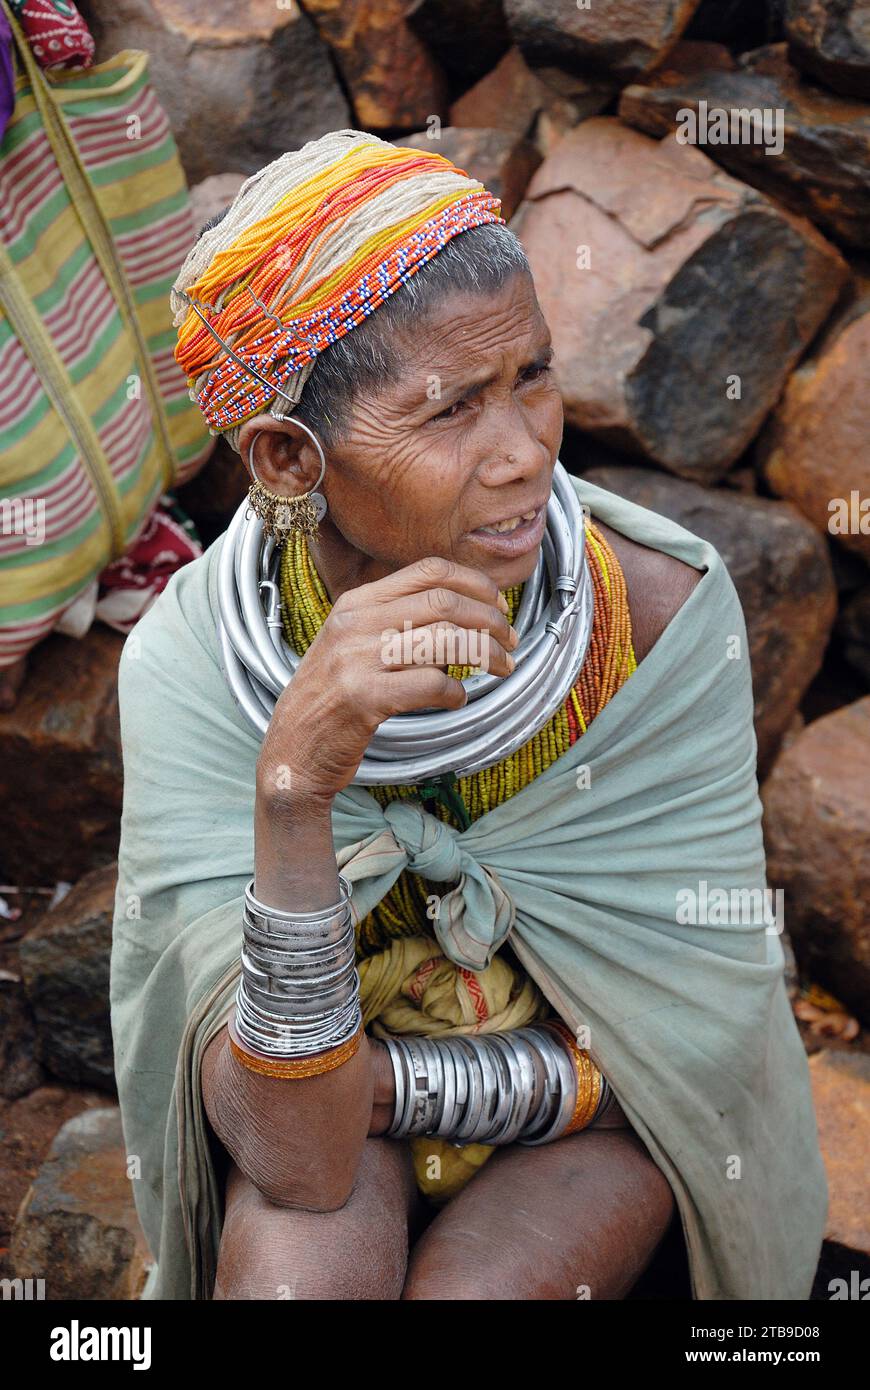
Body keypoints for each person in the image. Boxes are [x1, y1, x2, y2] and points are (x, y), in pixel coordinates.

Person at [110, 129, 828, 1301]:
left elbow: (695, 1042)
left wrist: (390, 1085)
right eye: (450, 414)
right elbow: (298, 1156)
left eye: (533, 379)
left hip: (602, 1116)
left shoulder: (654, 618)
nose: (525, 459)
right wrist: (294, 791)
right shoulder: (197, 664)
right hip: (328, 1124)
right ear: (292, 460)